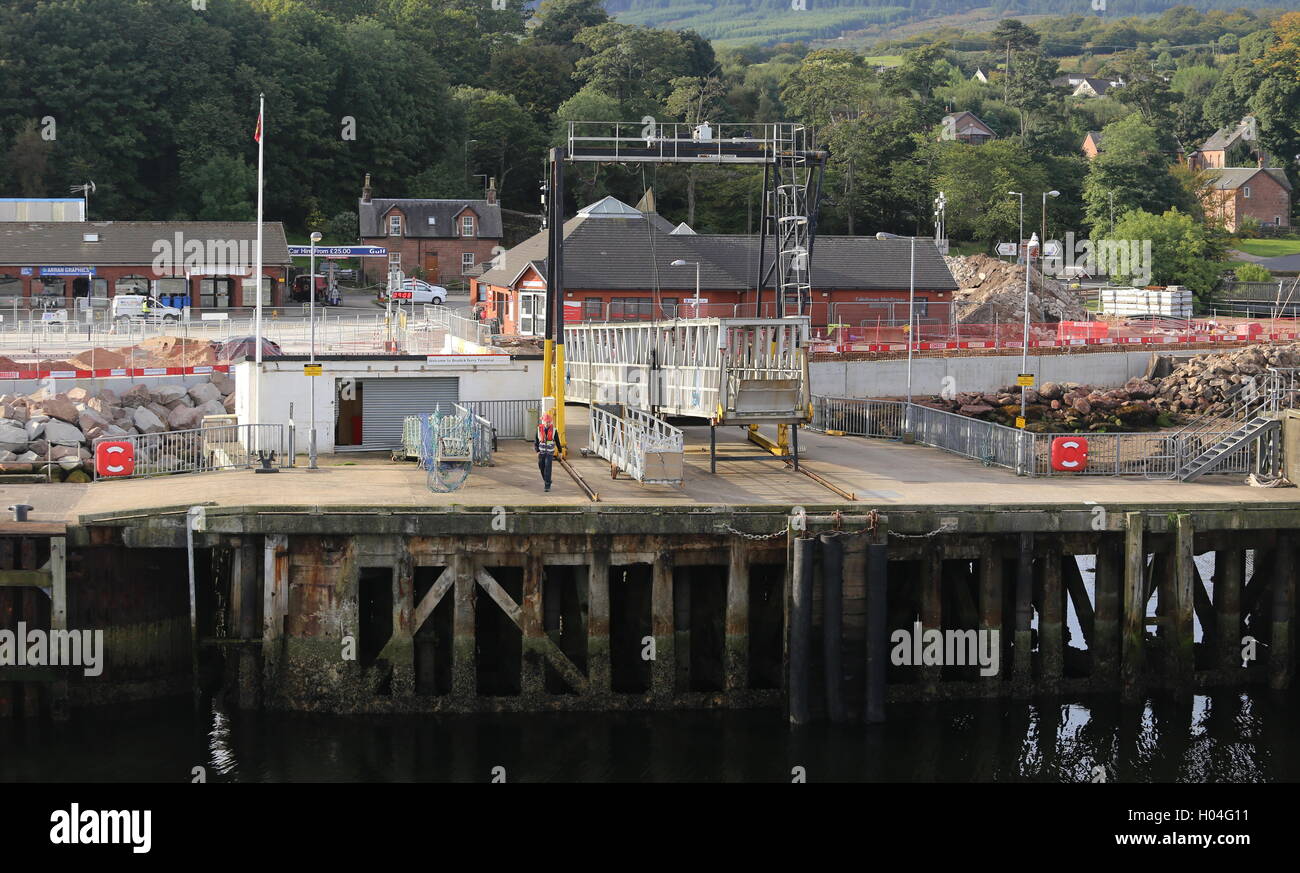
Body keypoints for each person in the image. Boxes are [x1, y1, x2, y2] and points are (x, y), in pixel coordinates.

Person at [535, 412, 557, 492]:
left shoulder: (554, 430)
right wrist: (537, 450)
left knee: (548, 468)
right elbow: (536, 441)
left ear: (550, 422)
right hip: (541, 452)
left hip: (550, 453)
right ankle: (547, 480)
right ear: (543, 422)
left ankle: (547, 485)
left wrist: (560, 452)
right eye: (545, 422)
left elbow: (557, 441)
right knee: (541, 466)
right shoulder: (539, 429)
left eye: (548, 422)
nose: (547, 423)